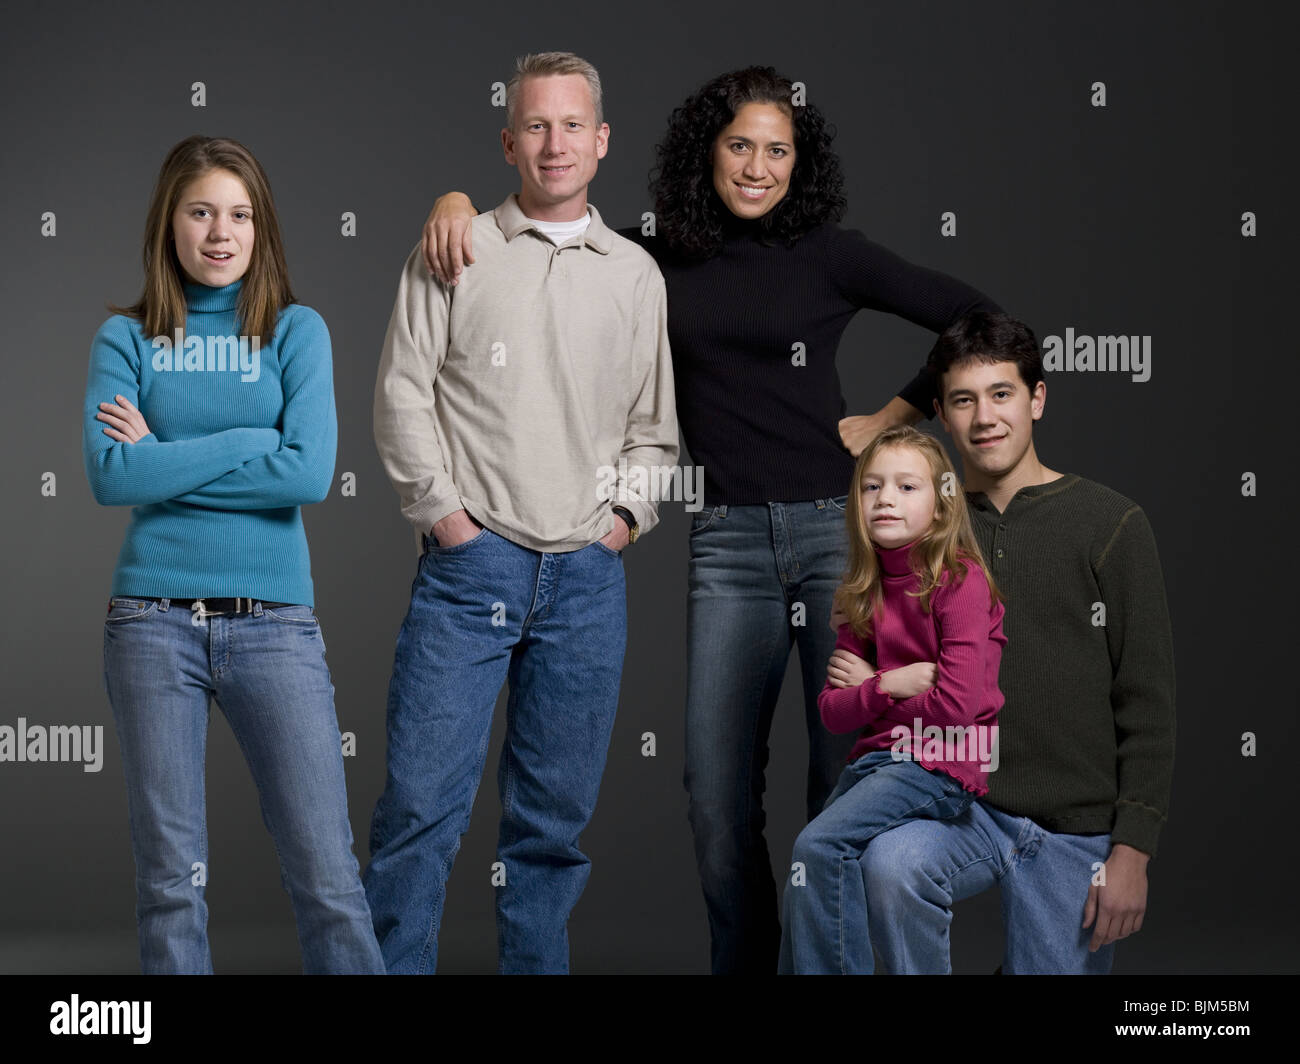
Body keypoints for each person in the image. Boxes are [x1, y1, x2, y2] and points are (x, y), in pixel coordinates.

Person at [421, 66, 1003, 972]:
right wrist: (455, 199)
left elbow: (977, 317)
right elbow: (548, 222)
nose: (759, 166)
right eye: (741, 145)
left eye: (779, 149)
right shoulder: (658, 248)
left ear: (798, 163)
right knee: (714, 792)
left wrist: (898, 414)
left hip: (831, 540)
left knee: (838, 781)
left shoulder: (831, 253)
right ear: (709, 151)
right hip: (726, 543)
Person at [365, 52, 678, 974]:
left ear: (602, 141)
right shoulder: (455, 246)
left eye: (572, 125)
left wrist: (622, 523)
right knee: (418, 814)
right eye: (536, 126)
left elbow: (653, 430)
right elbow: (401, 396)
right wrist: (447, 520)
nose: (555, 143)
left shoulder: (635, 275)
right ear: (508, 142)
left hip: (586, 580)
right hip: (472, 571)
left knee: (551, 832)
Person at [83, 135, 384, 974]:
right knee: (170, 883)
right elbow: (111, 477)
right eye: (202, 211)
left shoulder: (297, 330)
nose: (222, 233)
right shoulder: (126, 337)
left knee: (327, 874)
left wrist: (166, 458)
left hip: (274, 625)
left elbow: (311, 472)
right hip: (150, 623)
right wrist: (251, 440)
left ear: (263, 229)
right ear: (168, 223)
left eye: (240, 214)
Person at [856, 311, 1176, 973]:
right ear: (941, 414)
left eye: (1002, 394)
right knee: (890, 864)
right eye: (965, 401)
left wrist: (1132, 853)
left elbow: (1148, 702)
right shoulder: (921, 527)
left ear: (1037, 398)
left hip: (1074, 828)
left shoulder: (1111, 524)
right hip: (961, 810)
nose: (985, 418)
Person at [778, 426, 1005, 974]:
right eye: (871, 487)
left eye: (907, 487)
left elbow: (953, 710)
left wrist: (869, 688)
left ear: (941, 504)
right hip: (876, 764)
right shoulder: (864, 588)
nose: (885, 499)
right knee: (807, 877)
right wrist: (890, 683)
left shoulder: (959, 581)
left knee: (819, 848)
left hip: (941, 762)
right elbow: (832, 712)